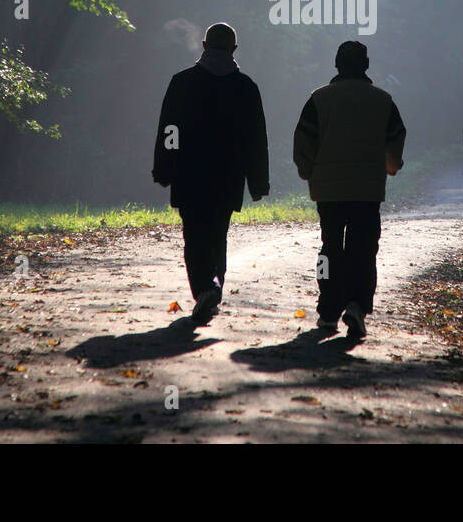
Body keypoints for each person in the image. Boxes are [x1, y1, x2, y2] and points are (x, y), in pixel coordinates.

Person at [152, 22, 269, 326]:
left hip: (189, 173)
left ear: (204, 46)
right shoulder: (246, 87)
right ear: (234, 49)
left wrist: (164, 167)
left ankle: (206, 288)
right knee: (219, 233)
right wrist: (258, 181)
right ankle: (213, 286)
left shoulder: (182, 82)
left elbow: (170, 130)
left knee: (194, 235)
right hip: (227, 176)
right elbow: (255, 139)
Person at [293, 40, 406, 339]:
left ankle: (327, 311)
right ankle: (356, 305)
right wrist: (391, 165)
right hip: (367, 188)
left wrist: (308, 172)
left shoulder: (319, 99)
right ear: (366, 65)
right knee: (364, 248)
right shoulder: (383, 100)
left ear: (336, 64)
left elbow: (303, 141)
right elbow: (395, 138)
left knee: (329, 248)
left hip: (328, 188)